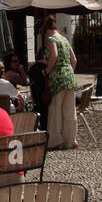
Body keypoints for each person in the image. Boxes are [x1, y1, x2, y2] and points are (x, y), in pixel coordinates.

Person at [41, 16, 78, 150]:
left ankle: (56, 141)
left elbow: (54, 55)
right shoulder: (64, 39)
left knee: (55, 110)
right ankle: (71, 140)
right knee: (70, 111)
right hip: (70, 77)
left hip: (57, 78)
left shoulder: (52, 39)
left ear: (47, 31)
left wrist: (47, 71)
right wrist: (69, 72)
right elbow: (74, 60)